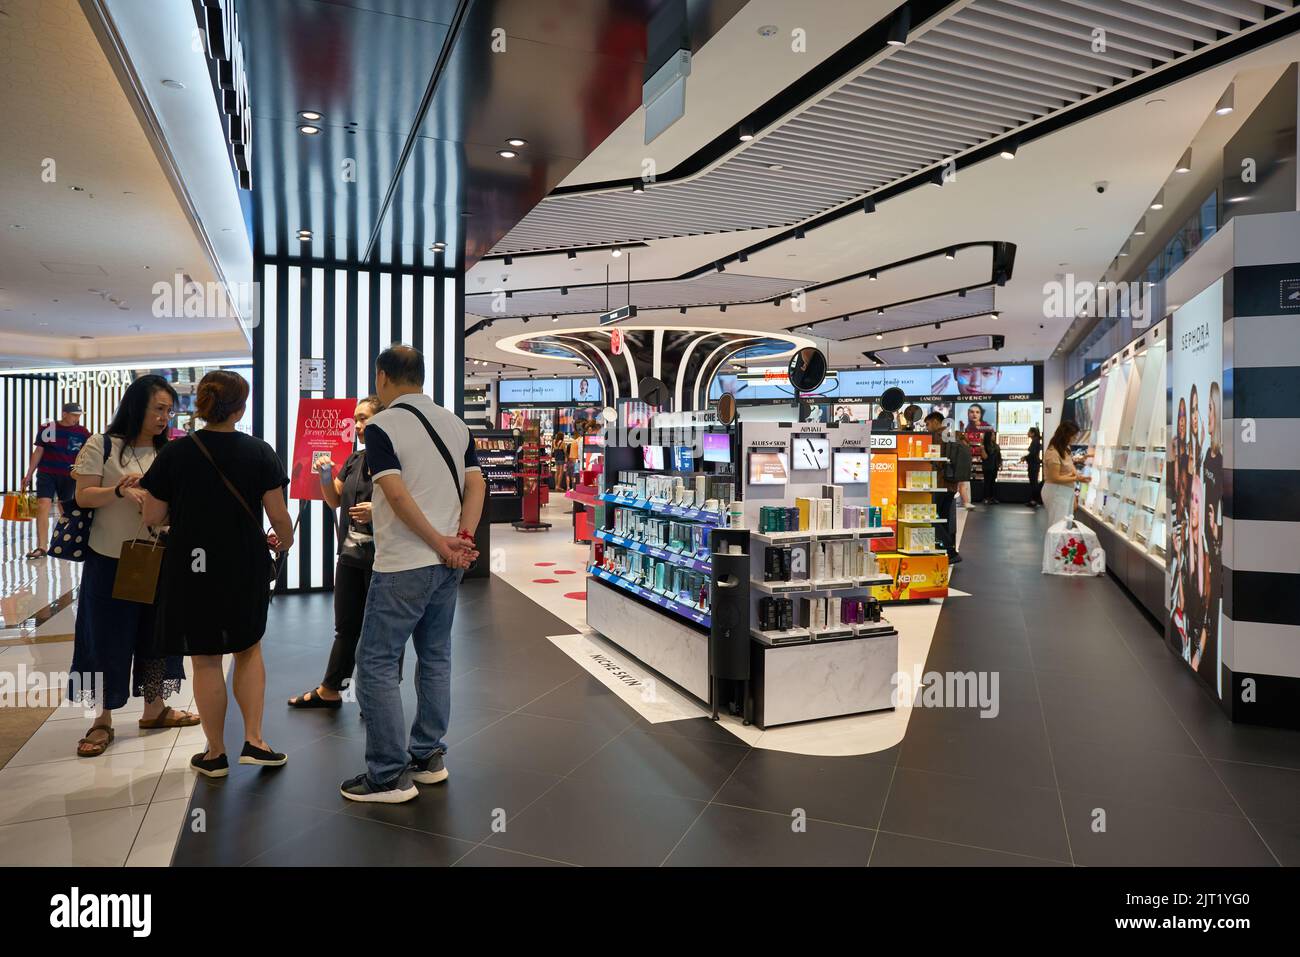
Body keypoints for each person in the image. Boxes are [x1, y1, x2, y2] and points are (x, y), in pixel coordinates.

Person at [340, 345, 484, 804]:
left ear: (382, 377)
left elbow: (396, 494)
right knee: (436, 656)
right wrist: (461, 539)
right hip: (448, 564)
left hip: (404, 562)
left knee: (376, 663)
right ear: (421, 376)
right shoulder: (455, 423)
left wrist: (440, 541)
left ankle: (387, 776)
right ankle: (428, 758)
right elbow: (476, 483)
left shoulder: (382, 425)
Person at [133, 370, 295, 778]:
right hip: (244, 563)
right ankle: (255, 741)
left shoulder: (176, 453)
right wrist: (286, 540)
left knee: (206, 658)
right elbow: (278, 515)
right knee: (248, 649)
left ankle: (216, 754)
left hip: (192, 565)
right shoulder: (259, 452)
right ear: (240, 408)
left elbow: (153, 516)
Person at [67, 377, 199, 757]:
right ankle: (102, 719)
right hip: (108, 559)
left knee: (157, 635)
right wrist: (120, 490)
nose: (164, 417)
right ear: (136, 405)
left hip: (158, 557)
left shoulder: (169, 451)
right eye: (158, 408)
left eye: (168, 410)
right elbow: (83, 496)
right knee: (104, 638)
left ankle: (155, 709)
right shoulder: (103, 445)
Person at [288, 396, 384, 710]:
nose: (357, 425)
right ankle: (331, 689)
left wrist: (378, 511)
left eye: (364, 418)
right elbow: (334, 499)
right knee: (346, 626)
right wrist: (327, 476)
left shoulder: (395, 459)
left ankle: (379, 696)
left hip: (384, 559)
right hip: (351, 555)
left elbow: (410, 502)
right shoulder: (356, 458)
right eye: (355, 419)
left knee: (379, 630)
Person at [22, 402, 90, 559]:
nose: (77, 418)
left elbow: (88, 454)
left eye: (79, 415)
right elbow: (39, 450)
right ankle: (41, 547)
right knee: (43, 504)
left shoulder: (83, 432)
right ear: (64, 414)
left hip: (69, 475)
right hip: (47, 473)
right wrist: (29, 474)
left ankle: (65, 542)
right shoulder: (48, 428)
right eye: (74, 415)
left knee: (65, 509)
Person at [926, 412, 961, 565]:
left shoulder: (937, 435)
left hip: (940, 483)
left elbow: (937, 460)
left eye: (928, 424)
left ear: (935, 421)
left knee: (932, 517)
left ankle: (950, 551)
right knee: (944, 518)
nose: (927, 428)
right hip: (952, 483)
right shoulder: (951, 434)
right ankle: (946, 553)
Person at [1042, 420, 1081, 530]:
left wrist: (1074, 496)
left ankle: (1061, 542)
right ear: (1066, 435)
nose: (1075, 439)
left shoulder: (1065, 449)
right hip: (1057, 492)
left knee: (1065, 525)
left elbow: (1070, 469)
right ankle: (1055, 542)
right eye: (1073, 436)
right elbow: (1055, 478)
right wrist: (1076, 478)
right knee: (1058, 526)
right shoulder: (1053, 452)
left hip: (1065, 492)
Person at [1022, 426, 1043, 507]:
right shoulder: (1036, 441)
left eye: (1029, 432)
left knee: (1034, 483)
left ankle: (1034, 500)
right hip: (1034, 464)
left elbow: (1032, 454)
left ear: (1033, 433)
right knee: (1034, 482)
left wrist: (1025, 457)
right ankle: (1034, 500)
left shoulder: (1035, 441)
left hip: (1033, 465)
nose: (1027, 433)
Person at [981, 430, 1002, 504]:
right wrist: (982, 449)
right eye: (993, 435)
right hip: (987, 467)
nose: (994, 436)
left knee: (993, 483)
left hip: (994, 466)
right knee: (987, 483)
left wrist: (999, 463)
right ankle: (986, 498)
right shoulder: (984, 445)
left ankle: (992, 497)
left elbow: (998, 455)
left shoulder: (995, 445)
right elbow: (985, 457)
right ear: (989, 436)